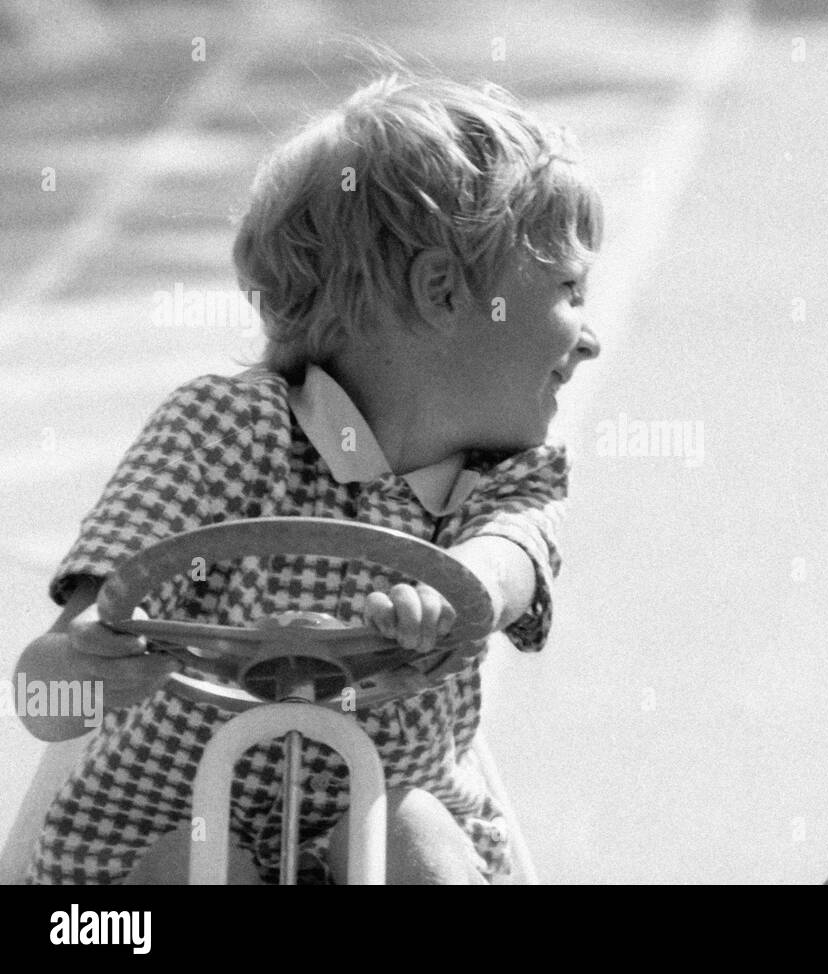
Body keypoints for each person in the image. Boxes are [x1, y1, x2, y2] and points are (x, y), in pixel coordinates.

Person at [16, 72, 602, 884]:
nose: (589, 338)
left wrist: (453, 589)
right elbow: (48, 690)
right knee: (189, 860)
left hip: (387, 828)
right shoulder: (223, 430)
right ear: (440, 290)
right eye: (570, 290)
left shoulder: (509, 476)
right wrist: (80, 668)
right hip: (159, 841)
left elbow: (509, 561)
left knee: (409, 831)